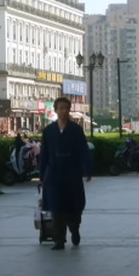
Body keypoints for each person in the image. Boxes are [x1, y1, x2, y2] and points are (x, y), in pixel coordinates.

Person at [40, 97, 94, 250]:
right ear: (55, 110)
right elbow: (44, 155)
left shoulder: (76, 130)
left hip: (72, 174)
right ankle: (59, 240)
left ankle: (74, 229)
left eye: (66, 108)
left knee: (73, 207)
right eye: (60, 108)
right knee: (56, 208)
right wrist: (42, 175)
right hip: (54, 175)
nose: (63, 111)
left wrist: (87, 170)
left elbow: (83, 151)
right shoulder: (49, 131)